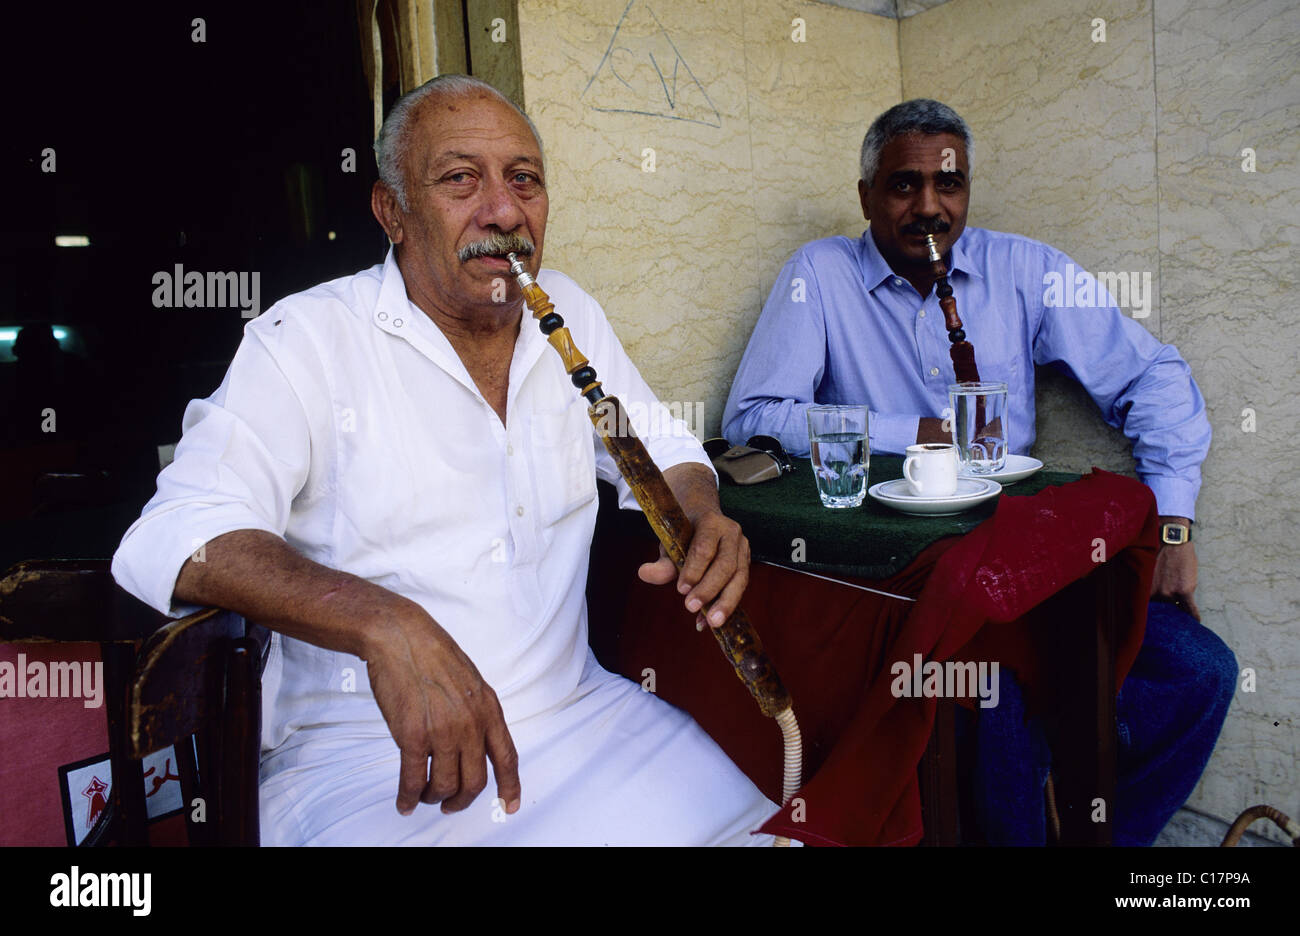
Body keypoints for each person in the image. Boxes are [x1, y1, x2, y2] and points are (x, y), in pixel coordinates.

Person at [112, 75, 777, 846]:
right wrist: (379, 620)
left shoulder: (566, 310)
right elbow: (174, 532)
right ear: (391, 212)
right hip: (375, 768)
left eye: (523, 180)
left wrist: (701, 511)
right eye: (461, 179)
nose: (503, 211)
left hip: (584, 717)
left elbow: (661, 445)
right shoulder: (306, 341)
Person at [723, 99, 1236, 845]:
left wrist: (1173, 519)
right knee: (994, 704)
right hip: (912, 570)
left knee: (1201, 674)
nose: (929, 207)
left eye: (949, 186)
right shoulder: (821, 274)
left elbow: (1152, 377)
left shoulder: (1023, 269)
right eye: (903, 186)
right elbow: (755, 416)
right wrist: (924, 435)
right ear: (867, 196)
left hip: (1031, 551)